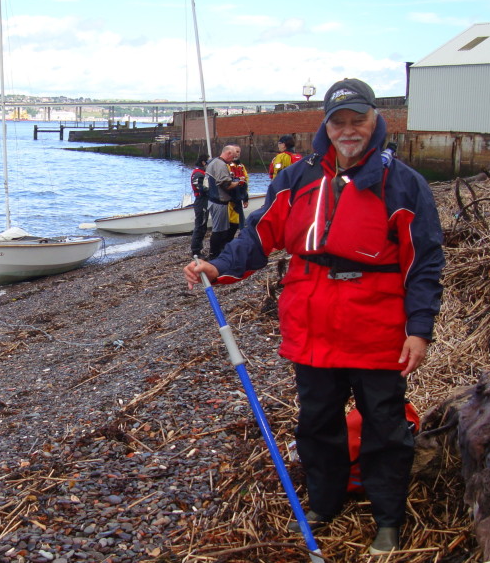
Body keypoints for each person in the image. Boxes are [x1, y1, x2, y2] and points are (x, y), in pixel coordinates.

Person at [184, 78, 445, 555]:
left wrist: (419, 329)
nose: (348, 130)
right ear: (326, 125)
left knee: (385, 425)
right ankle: (324, 502)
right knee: (316, 422)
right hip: (313, 326)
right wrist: (216, 265)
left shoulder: (405, 183)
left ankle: (388, 517)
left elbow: (425, 263)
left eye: (358, 120)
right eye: (338, 121)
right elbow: (261, 236)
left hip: (377, 327)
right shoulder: (297, 177)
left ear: (375, 122)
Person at [204, 144, 244, 258]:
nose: (232, 160)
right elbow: (225, 184)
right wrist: (239, 182)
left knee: (221, 229)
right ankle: (214, 254)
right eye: (233, 157)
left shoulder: (213, 162)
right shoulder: (220, 165)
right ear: (228, 153)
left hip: (214, 200)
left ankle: (217, 253)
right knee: (219, 230)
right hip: (218, 201)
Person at [190, 152, 210, 257]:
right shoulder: (198, 174)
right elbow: (202, 189)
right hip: (201, 201)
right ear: (203, 162)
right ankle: (196, 250)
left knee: (203, 225)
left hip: (203, 201)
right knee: (200, 225)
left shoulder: (201, 173)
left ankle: (198, 249)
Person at [227, 147, 250, 240]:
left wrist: (245, 198)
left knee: (239, 221)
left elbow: (246, 182)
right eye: (236, 152)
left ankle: (237, 239)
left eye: (239, 152)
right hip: (228, 198)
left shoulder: (241, 166)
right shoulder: (226, 166)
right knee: (229, 222)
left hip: (238, 197)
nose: (237, 154)